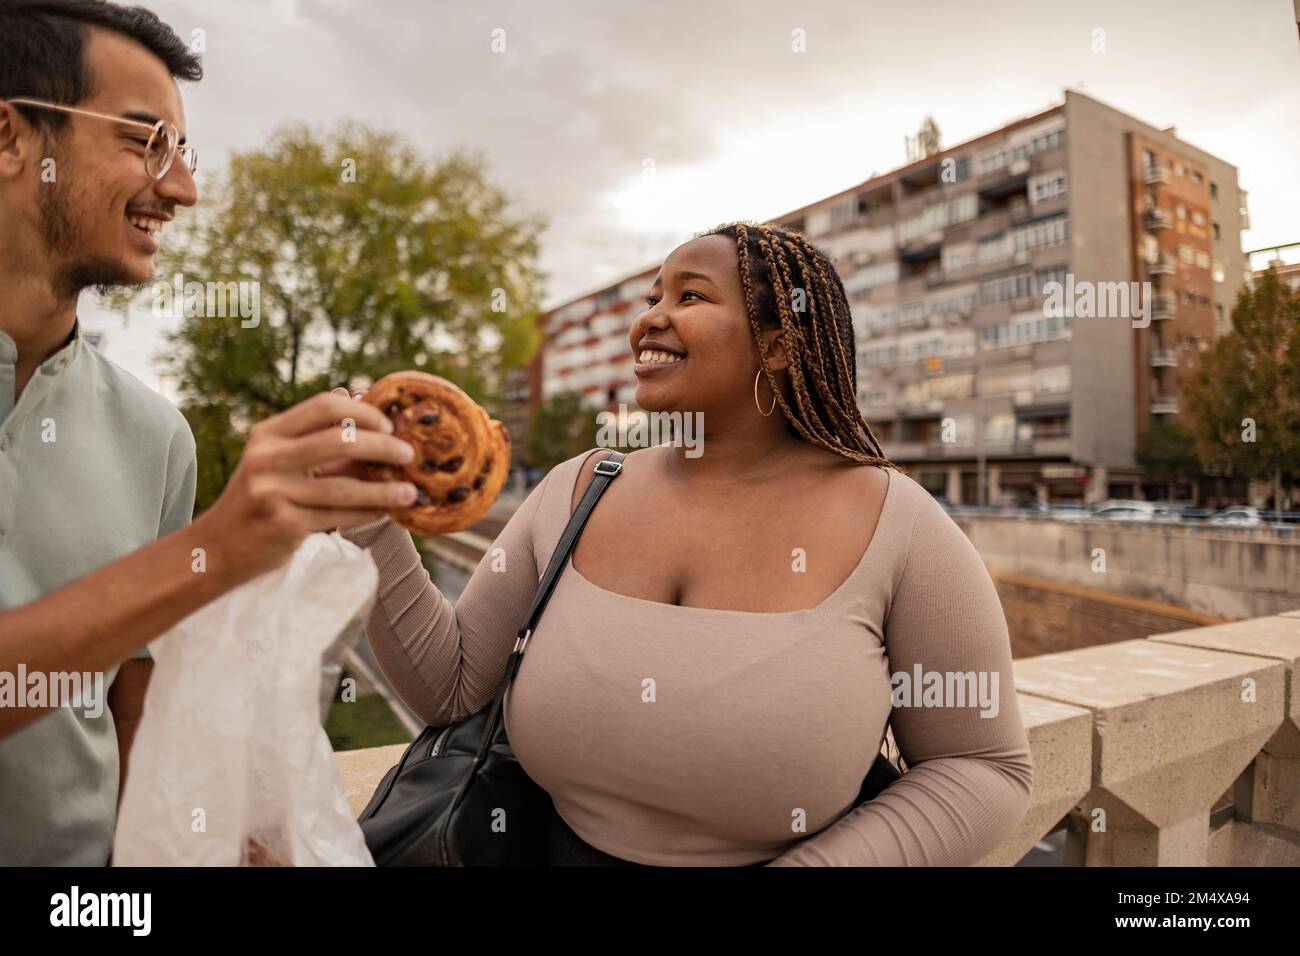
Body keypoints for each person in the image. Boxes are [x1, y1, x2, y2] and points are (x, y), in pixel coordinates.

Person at [339, 222, 1034, 865]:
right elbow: (451, 689)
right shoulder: (577, 489)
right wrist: (368, 514)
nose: (649, 318)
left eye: (690, 295)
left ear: (778, 345)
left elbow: (982, 768)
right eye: (651, 297)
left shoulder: (903, 524)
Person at [0, 0, 417, 865]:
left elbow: (134, 708)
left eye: (184, 153)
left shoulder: (157, 435)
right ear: (9, 139)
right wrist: (225, 545)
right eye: (143, 140)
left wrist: (208, 837)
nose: (182, 188)